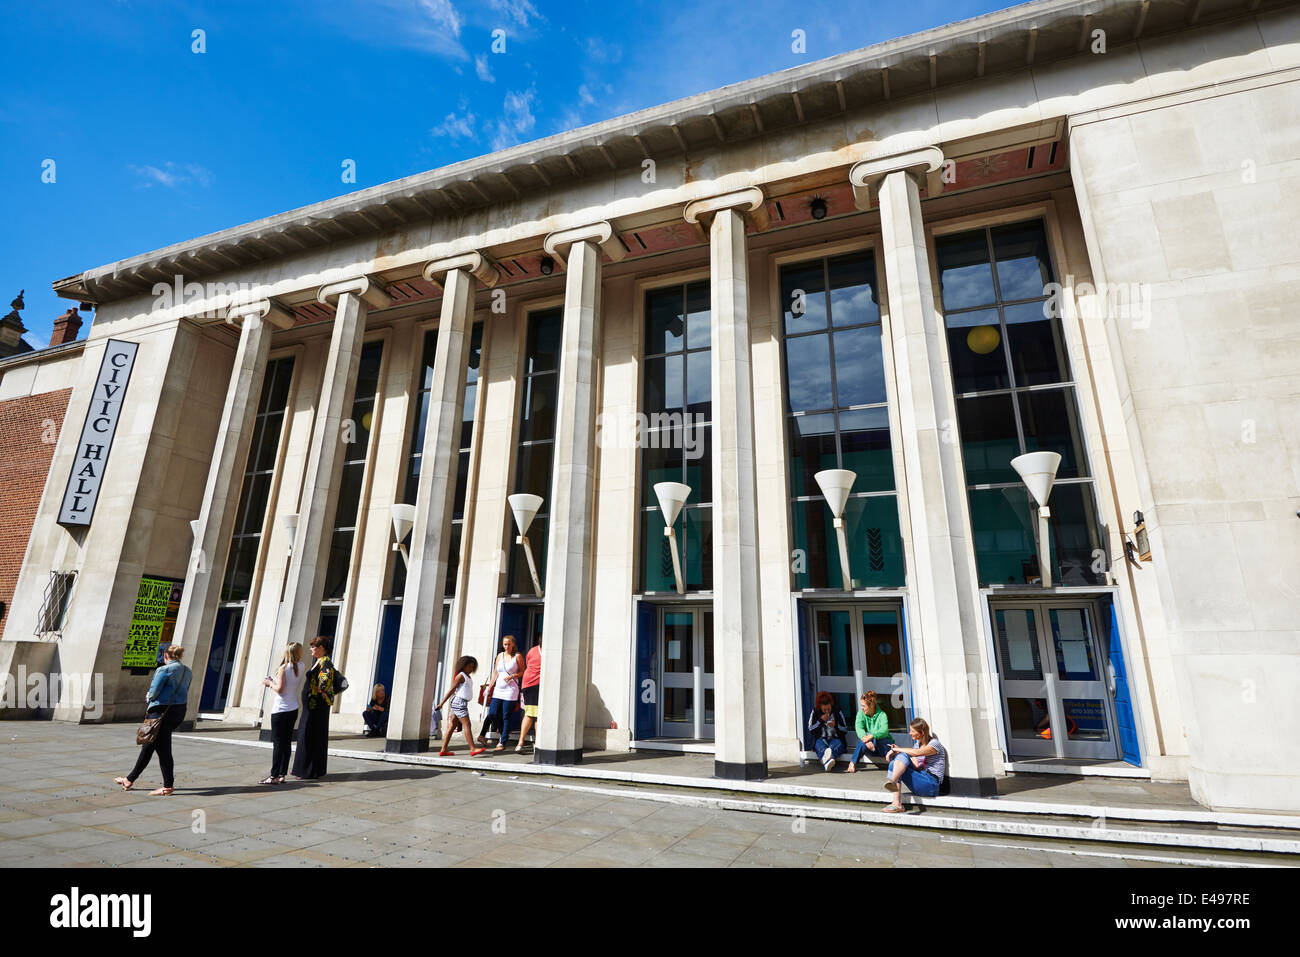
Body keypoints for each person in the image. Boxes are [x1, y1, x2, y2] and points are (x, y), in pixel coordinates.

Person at [114, 644, 192, 796]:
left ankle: (168, 786)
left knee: (163, 750)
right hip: (178, 712)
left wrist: (148, 696)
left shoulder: (163, 670)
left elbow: (154, 692)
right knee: (149, 745)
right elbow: (185, 690)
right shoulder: (187, 671)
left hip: (160, 713)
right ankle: (129, 780)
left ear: (165, 656)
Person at [291, 636, 337, 779]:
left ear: (321, 648)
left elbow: (325, 683)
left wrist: (315, 690)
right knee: (308, 735)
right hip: (312, 706)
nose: (311, 649)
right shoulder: (319, 661)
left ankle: (308, 770)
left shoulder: (326, 663)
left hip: (316, 707)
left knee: (310, 736)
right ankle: (304, 768)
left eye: (313, 647)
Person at [260, 643, 305, 784]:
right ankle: (282, 774)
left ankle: (273, 776)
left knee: (278, 743)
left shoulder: (283, 668)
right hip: (293, 707)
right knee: (286, 743)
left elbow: (280, 689)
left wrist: (269, 683)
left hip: (280, 709)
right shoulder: (301, 666)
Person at [882, 717, 948, 812]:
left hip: (931, 784)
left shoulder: (934, 744)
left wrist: (897, 749)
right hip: (921, 778)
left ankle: (893, 781)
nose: (910, 733)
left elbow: (917, 753)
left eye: (913, 731)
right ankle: (896, 803)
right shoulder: (917, 745)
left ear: (922, 732)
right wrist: (898, 751)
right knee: (894, 762)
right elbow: (915, 764)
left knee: (903, 754)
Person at [477, 635, 525, 753]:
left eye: (509, 644)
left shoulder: (517, 656)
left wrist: (514, 675)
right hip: (498, 689)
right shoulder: (500, 656)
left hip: (511, 690)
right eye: (505, 644)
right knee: (492, 713)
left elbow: (523, 672)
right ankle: (495, 733)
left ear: (513, 644)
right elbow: (495, 673)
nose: (507, 646)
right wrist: (489, 687)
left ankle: (502, 741)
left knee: (506, 715)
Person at [436, 656, 485, 756]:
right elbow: (452, 690)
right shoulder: (461, 676)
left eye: (473, 667)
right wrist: (441, 703)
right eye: (469, 667)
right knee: (467, 725)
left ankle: (443, 749)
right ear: (463, 666)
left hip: (459, 702)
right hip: (459, 702)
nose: (471, 669)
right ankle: (472, 748)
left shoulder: (466, 676)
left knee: (452, 726)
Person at [847, 690, 893, 773]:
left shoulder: (882, 715)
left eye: (863, 706)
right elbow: (859, 728)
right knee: (864, 738)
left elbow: (884, 731)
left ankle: (894, 763)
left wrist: (871, 736)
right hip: (869, 747)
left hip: (882, 746)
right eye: (861, 705)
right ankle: (853, 762)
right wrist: (866, 738)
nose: (862, 708)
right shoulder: (861, 714)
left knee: (882, 739)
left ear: (871, 705)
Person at [806, 691, 849, 771]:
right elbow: (810, 729)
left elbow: (845, 729)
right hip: (821, 740)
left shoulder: (837, 711)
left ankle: (826, 761)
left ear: (831, 704)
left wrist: (836, 726)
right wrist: (820, 721)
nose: (827, 711)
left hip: (836, 739)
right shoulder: (815, 711)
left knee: (837, 744)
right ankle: (829, 761)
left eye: (828, 709)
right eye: (824, 709)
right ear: (820, 706)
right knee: (819, 745)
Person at [515, 635, 542, 754]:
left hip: (527, 683)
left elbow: (528, 663)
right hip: (536, 684)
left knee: (530, 713)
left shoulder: (532, 650)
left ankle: (521, 743)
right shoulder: (548, 652)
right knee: (535, 715)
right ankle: (536, 743)